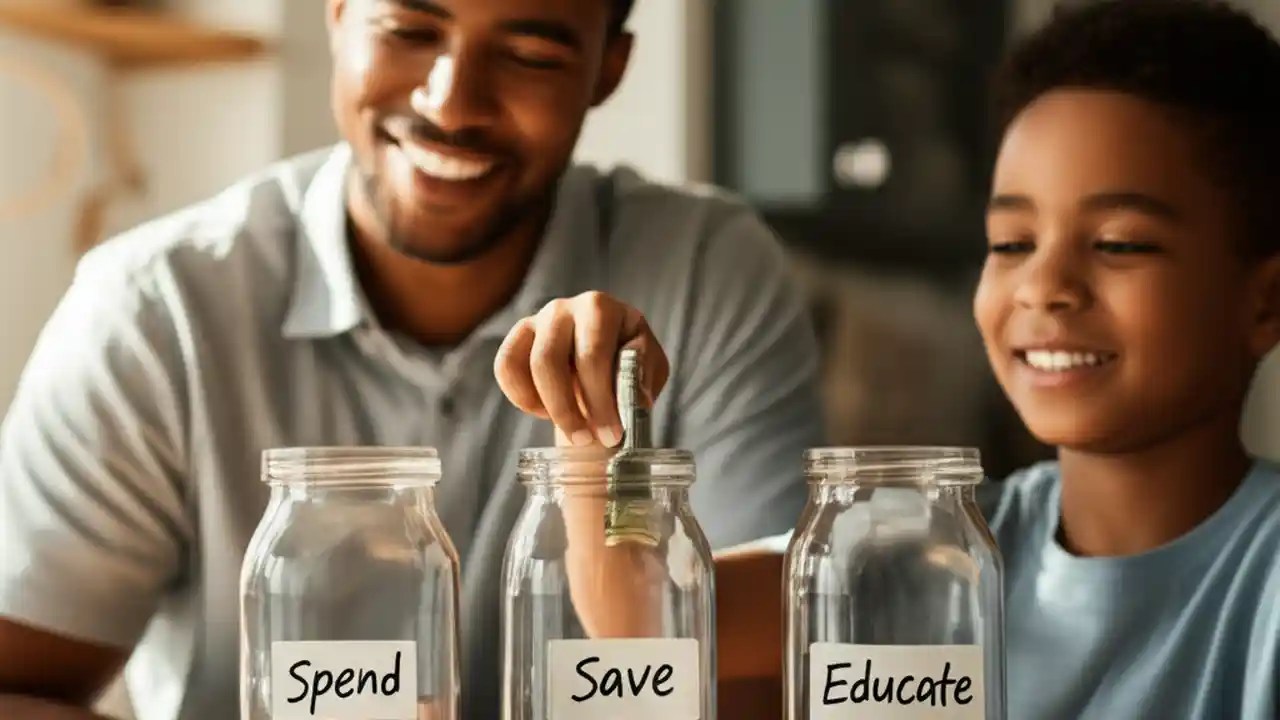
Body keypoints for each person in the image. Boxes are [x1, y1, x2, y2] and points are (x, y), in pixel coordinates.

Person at [0, 0, 823, 717]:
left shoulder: (705, 271)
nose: (451, 101)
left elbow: (746, 677)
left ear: (608, 68)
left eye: (530, 54)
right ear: (336, 14)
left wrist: (603, 459)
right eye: (406, 28)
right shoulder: (155, 310)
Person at [715, 1, 1280, 718]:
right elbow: (654, 620)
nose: (1044, 287)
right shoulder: (943, 544)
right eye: (1012, 243)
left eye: (1119, 244)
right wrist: (595, 437)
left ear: (1264, 303)